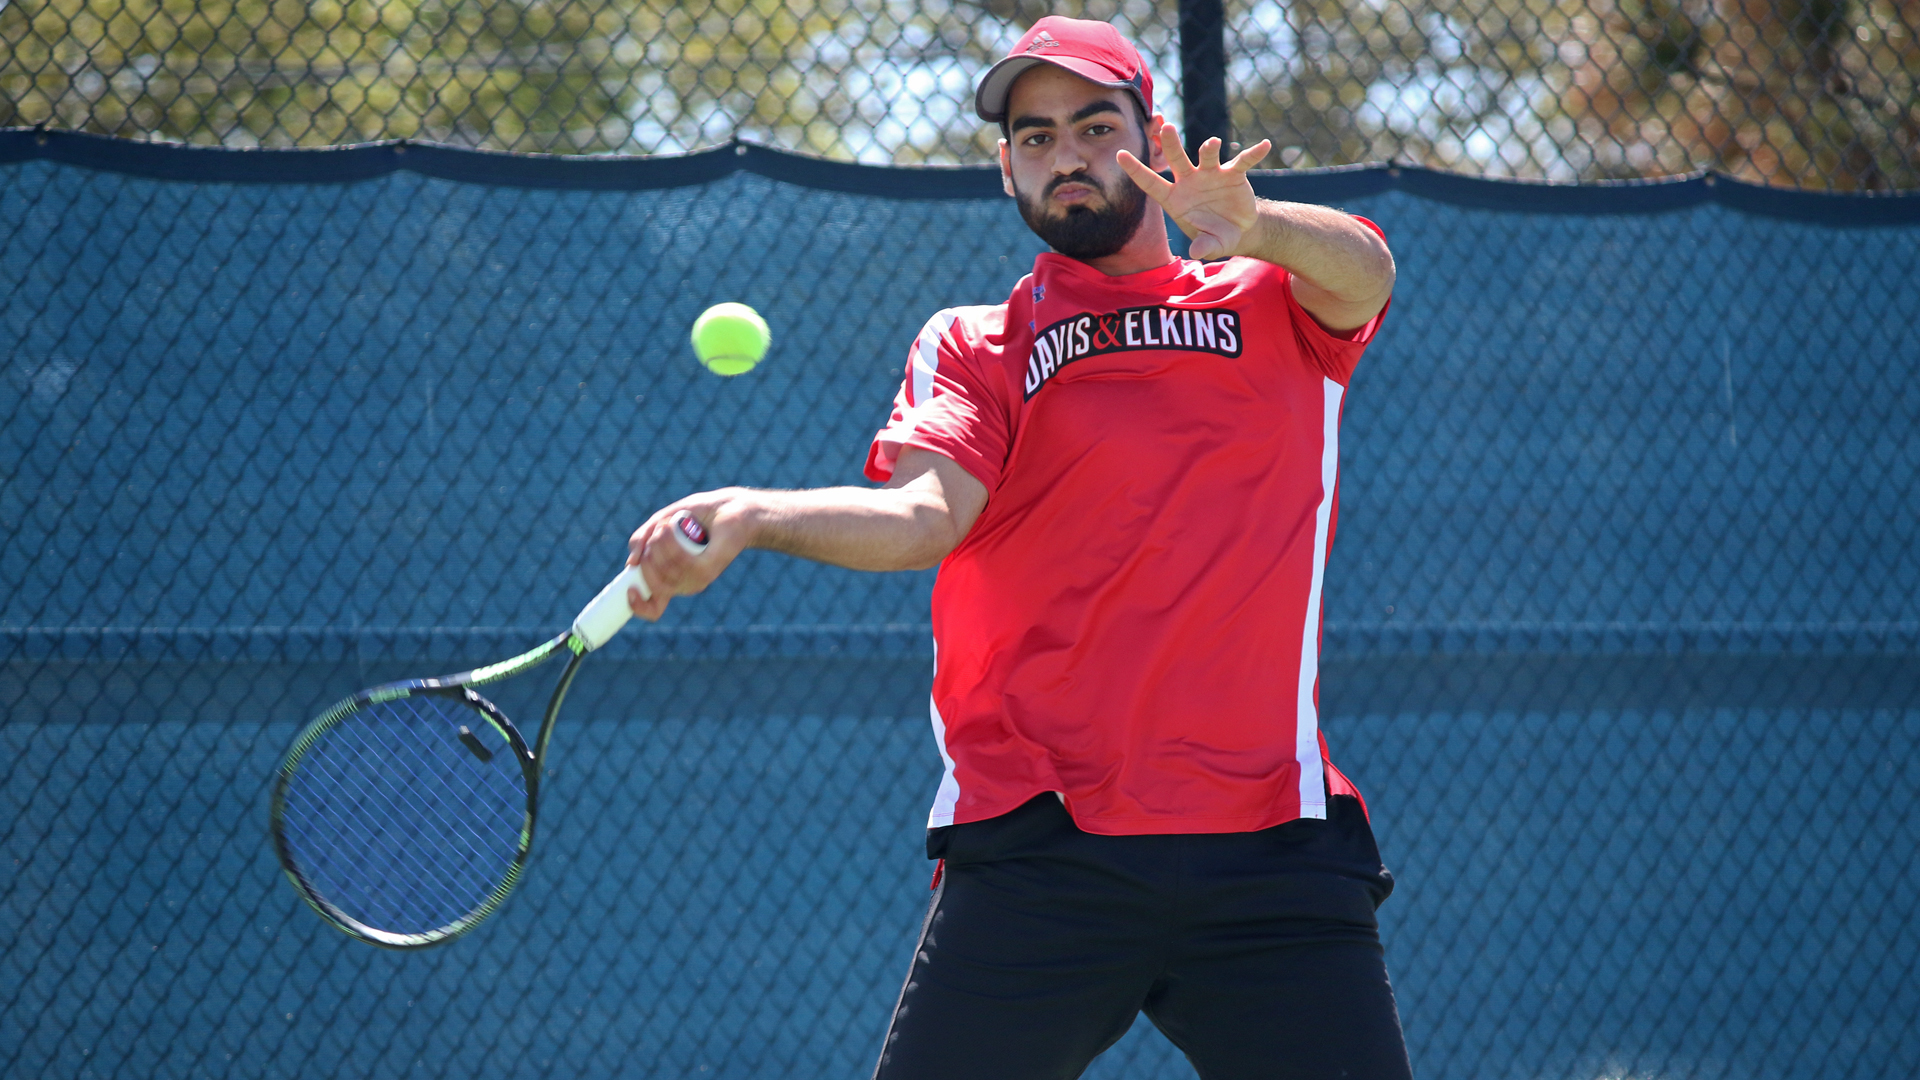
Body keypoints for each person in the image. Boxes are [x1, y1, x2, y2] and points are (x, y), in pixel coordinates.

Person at [623, 16, 1408, 1080]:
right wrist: (757, 516)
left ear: (1154, 136)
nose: (1065, 155)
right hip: (1042, 848)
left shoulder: (1269, 300)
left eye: (1093, 125)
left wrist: (1257, 222)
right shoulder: (976, 344)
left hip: (1269, 851)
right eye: (1034, 138)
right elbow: (924, 519)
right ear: (1006, 170)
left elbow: (1365, 275)